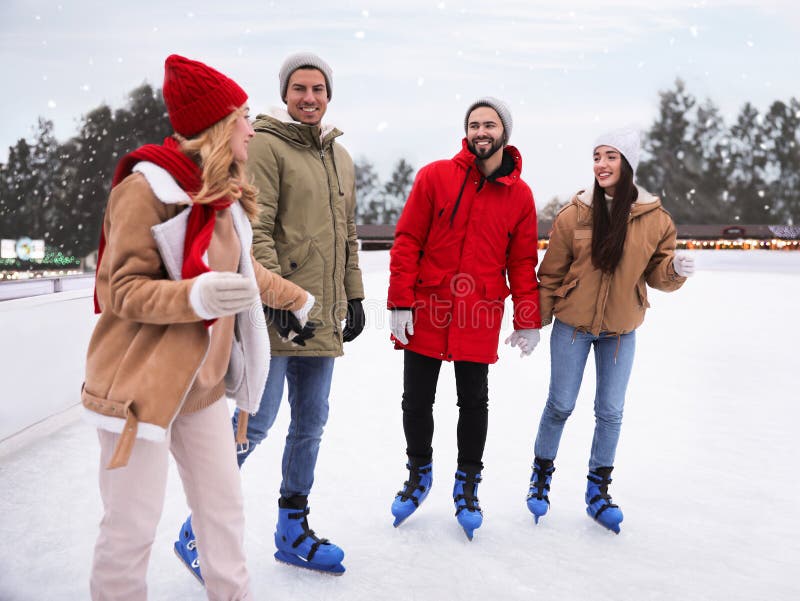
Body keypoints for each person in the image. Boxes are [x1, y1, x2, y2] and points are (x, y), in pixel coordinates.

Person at [83, 54, 314, 600]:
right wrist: (193, 295)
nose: (252, 129)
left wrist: (296, 296)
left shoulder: (224, 196)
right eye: (243, 116)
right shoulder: (145, 192)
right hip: (139, 391)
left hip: (203, 390)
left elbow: (241, 272)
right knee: (131, 528)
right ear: (216, 125)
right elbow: (119, 289)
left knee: (223, 516)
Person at [174, 51, 364, 576]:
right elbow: (255, 230)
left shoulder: (340, 157)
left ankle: (292, 528)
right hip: (278, 312)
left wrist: (353, 295)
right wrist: (275, 302)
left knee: (311, 424)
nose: (309, 97)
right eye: (300, 88)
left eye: (318, 89)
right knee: (253, 426)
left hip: (320, 312)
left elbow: (346, 234)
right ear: (285, 94)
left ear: (329, 95)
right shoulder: (267, 146)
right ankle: (197, 529)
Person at [526, 126, 695, 534]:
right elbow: (550, 275)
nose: (601, 164)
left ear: (628, 163)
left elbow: (657, 273)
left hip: (620, 331)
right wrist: (534, 323)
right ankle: (541, 478)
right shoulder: (575, 215)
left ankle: (598, 493)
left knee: (610, 412)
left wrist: (674, 271)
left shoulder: (656, 219)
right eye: (597, 156)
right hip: (572, 326)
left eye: (611, 156)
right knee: (560, 405)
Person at [387, 97, 541, 540]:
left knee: (472, 403)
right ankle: (419, 474)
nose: (480, 132)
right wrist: (399, 302)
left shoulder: (520, 196)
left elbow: (522, 262)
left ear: (504, 133)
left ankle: (468, 484)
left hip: (479, 313)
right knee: (416, 400)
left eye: (489, 124)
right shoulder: (435, 176)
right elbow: (408, 240)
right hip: (428, 307)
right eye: (474, 124)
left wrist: (527, 318)